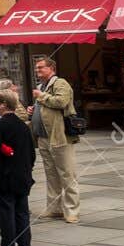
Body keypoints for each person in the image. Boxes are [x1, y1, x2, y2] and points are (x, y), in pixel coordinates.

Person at [0, 89, 35, 246]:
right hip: (22, 175)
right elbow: (31, 153)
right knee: (22, 212)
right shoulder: (23, 126)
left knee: (6, 211)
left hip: (4, 175)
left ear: (4, 104)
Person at [29, 56, 79, 223]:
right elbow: (45, 108)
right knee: (51, 175)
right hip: (43, 137)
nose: (37, 70)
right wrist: (33, 110)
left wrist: (41, 97)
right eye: (36, 68)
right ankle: (54, 208)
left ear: (51, 68)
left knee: (67, 174)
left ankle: (71, 211)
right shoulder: (41, 86)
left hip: (59, 136)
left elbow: (61, 102)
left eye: (41, 67)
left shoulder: (60, 83)